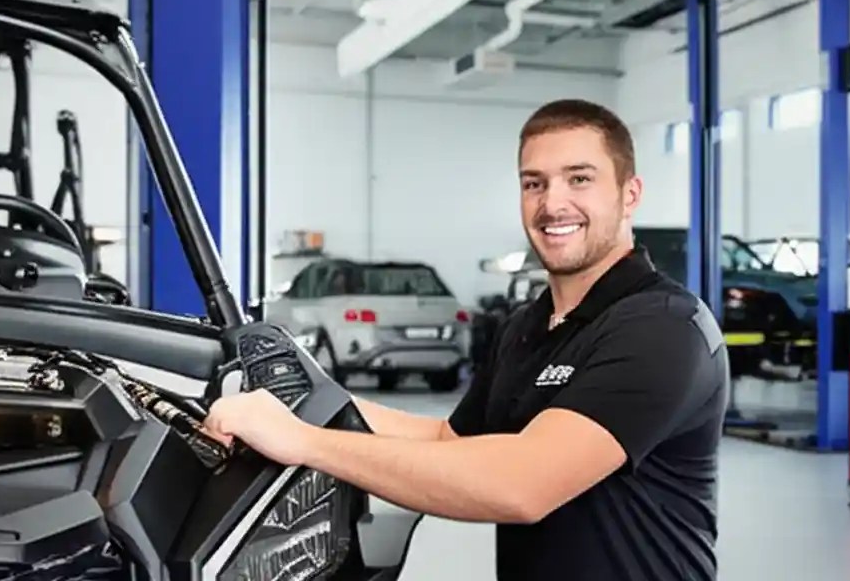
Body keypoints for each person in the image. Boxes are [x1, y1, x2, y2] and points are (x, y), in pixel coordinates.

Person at [203, 98, 730, 580]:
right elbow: (449, 443)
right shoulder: (529, 326)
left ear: (629, 194)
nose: (553, 203)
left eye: (579, 179)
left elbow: (523, 484)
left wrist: (305, 443)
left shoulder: (662, 327)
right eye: (534, 183)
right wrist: (307, 401)